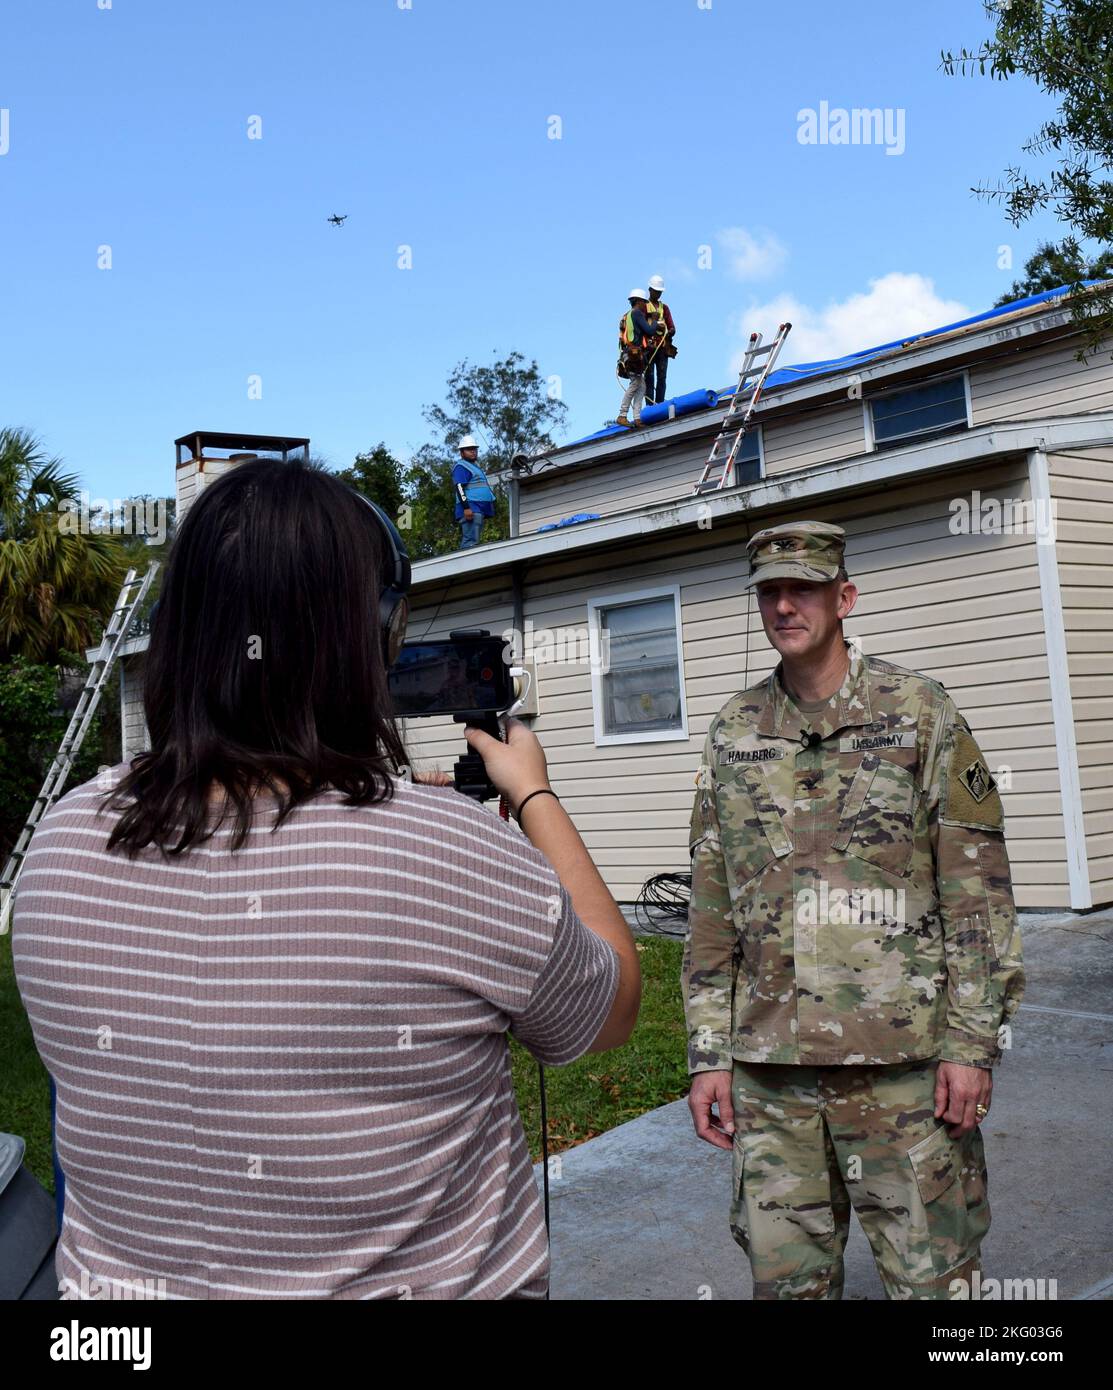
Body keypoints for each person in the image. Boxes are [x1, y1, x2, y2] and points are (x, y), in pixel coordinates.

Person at [13, 455, 640, 1301]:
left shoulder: (59, 843)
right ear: (373, 639)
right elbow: (608, 1009)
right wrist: (531, 793)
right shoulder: (450, 853)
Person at [683, 520, 1024, 1300]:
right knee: (786, 1285)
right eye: (768, 591)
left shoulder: (918, 712)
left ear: (843, 597)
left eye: (800, 588)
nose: (782, 605)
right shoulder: (734, 731)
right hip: (770, 1076)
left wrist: (971, 1044)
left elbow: (977, 891)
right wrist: (708, 1055)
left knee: (934, 1281)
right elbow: (710, 906)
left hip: (902, 1067)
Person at [616, 288, 665, 428]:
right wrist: (655, 320)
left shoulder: (628, 315)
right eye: (644, 302)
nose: (645, 305)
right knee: (636, 384)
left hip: (629, 353)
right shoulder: (637, 313)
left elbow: (636, 335)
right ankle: (622, 414)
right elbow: (649, 331)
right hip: (633, 354)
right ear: (638, 302)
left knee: (641, 385)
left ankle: (637, 418)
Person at [452, 434, 495, 549]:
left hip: (477, 508)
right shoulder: (461, 466)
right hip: (471, 508)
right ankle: (464, 564)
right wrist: (466, 508)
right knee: (470, 542)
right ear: (462, 452)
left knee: (473, 541)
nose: (473, 451)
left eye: (474, 449)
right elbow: (459, 487)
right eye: (469, 449)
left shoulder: (473, 467)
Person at [643, 274, 676, 406]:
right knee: (649, 377)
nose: (658, 294)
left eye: (660, 292)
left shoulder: (665, 308)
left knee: (662, 377)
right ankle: (650, 406)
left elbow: (672, 326)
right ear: (650, 290)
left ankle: (660, 404)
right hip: (649, 348)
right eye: (656, 291)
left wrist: (670, 333)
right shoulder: (644, 307)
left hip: (662, 347)